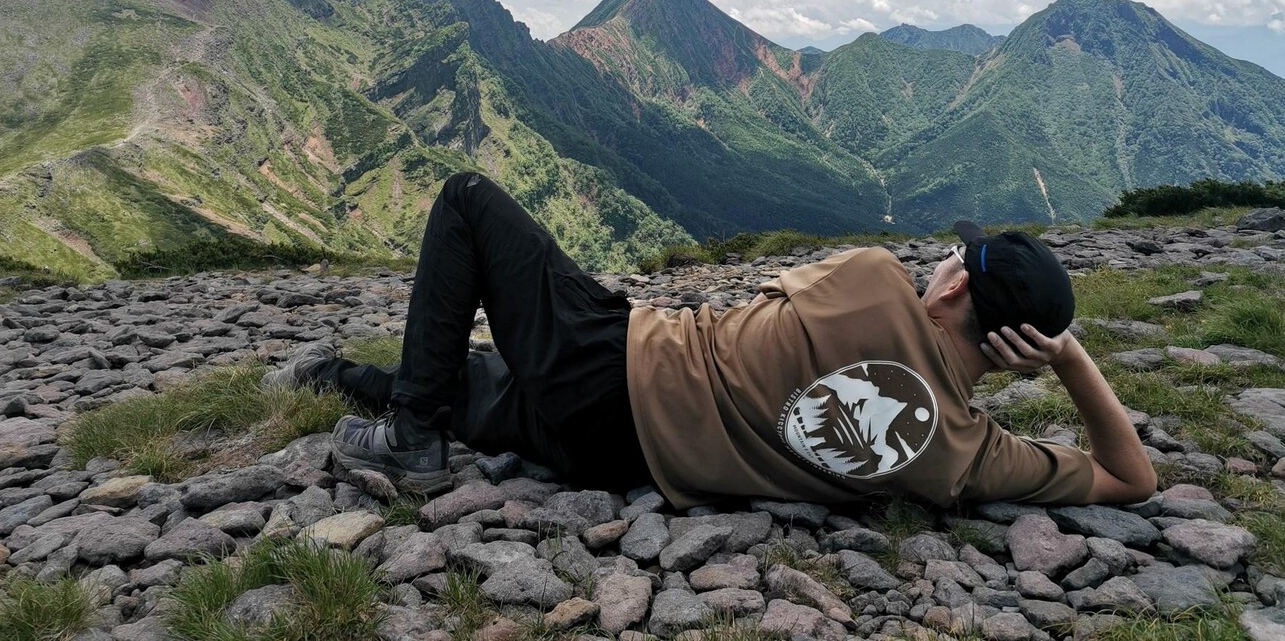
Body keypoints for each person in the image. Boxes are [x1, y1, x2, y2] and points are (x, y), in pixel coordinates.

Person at [263, 172, 1156, 507]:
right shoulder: (963, 456)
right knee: (484, 380)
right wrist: (1072, 360)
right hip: (617, 460)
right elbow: (1131, 477)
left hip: (621, 366)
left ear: (956, 284)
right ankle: (342, 378)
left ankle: (412, 441)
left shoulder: (875, 279)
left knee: (466, 201)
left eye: (952, 262)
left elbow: (767, 302)